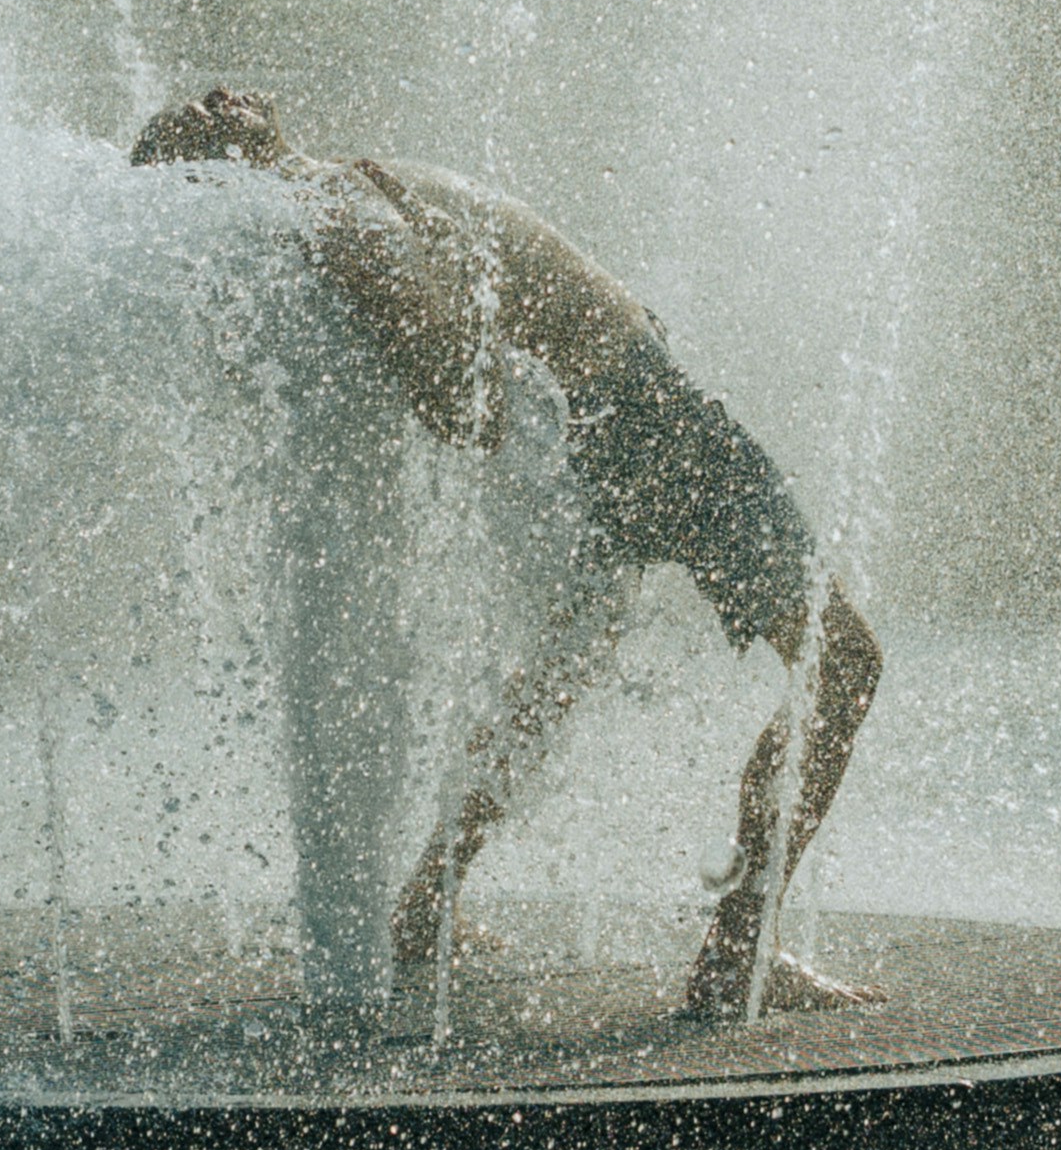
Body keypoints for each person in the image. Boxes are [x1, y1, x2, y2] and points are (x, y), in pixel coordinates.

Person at [128, 87, 881, 1020]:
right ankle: (739, 953)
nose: (210, 93)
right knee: (843, 662)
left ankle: (426, 903)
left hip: (603, 425)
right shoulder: (330, 210)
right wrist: (465, 315)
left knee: (557, 673)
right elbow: (456, 394)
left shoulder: (334, 191)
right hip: (642, 419)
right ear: (217, 170)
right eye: (192, 116)